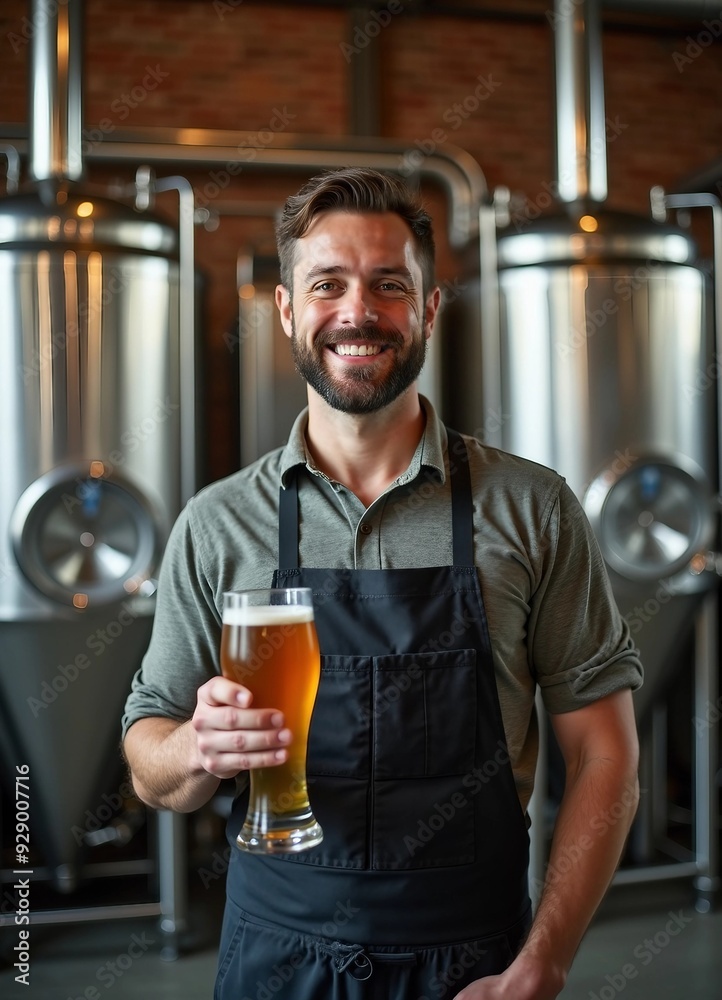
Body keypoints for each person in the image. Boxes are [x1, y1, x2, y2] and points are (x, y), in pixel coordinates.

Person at [122, 166, 643, 999]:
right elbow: (150, 757)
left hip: (473, 963)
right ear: (287, 310)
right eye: (327, 284)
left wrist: (544, 961)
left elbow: (604, 753)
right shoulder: (217, 523)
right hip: (275, 963)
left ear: (429, 309)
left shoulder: (532, 509)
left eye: (389, 285)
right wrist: (194, 749)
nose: (357, 312)